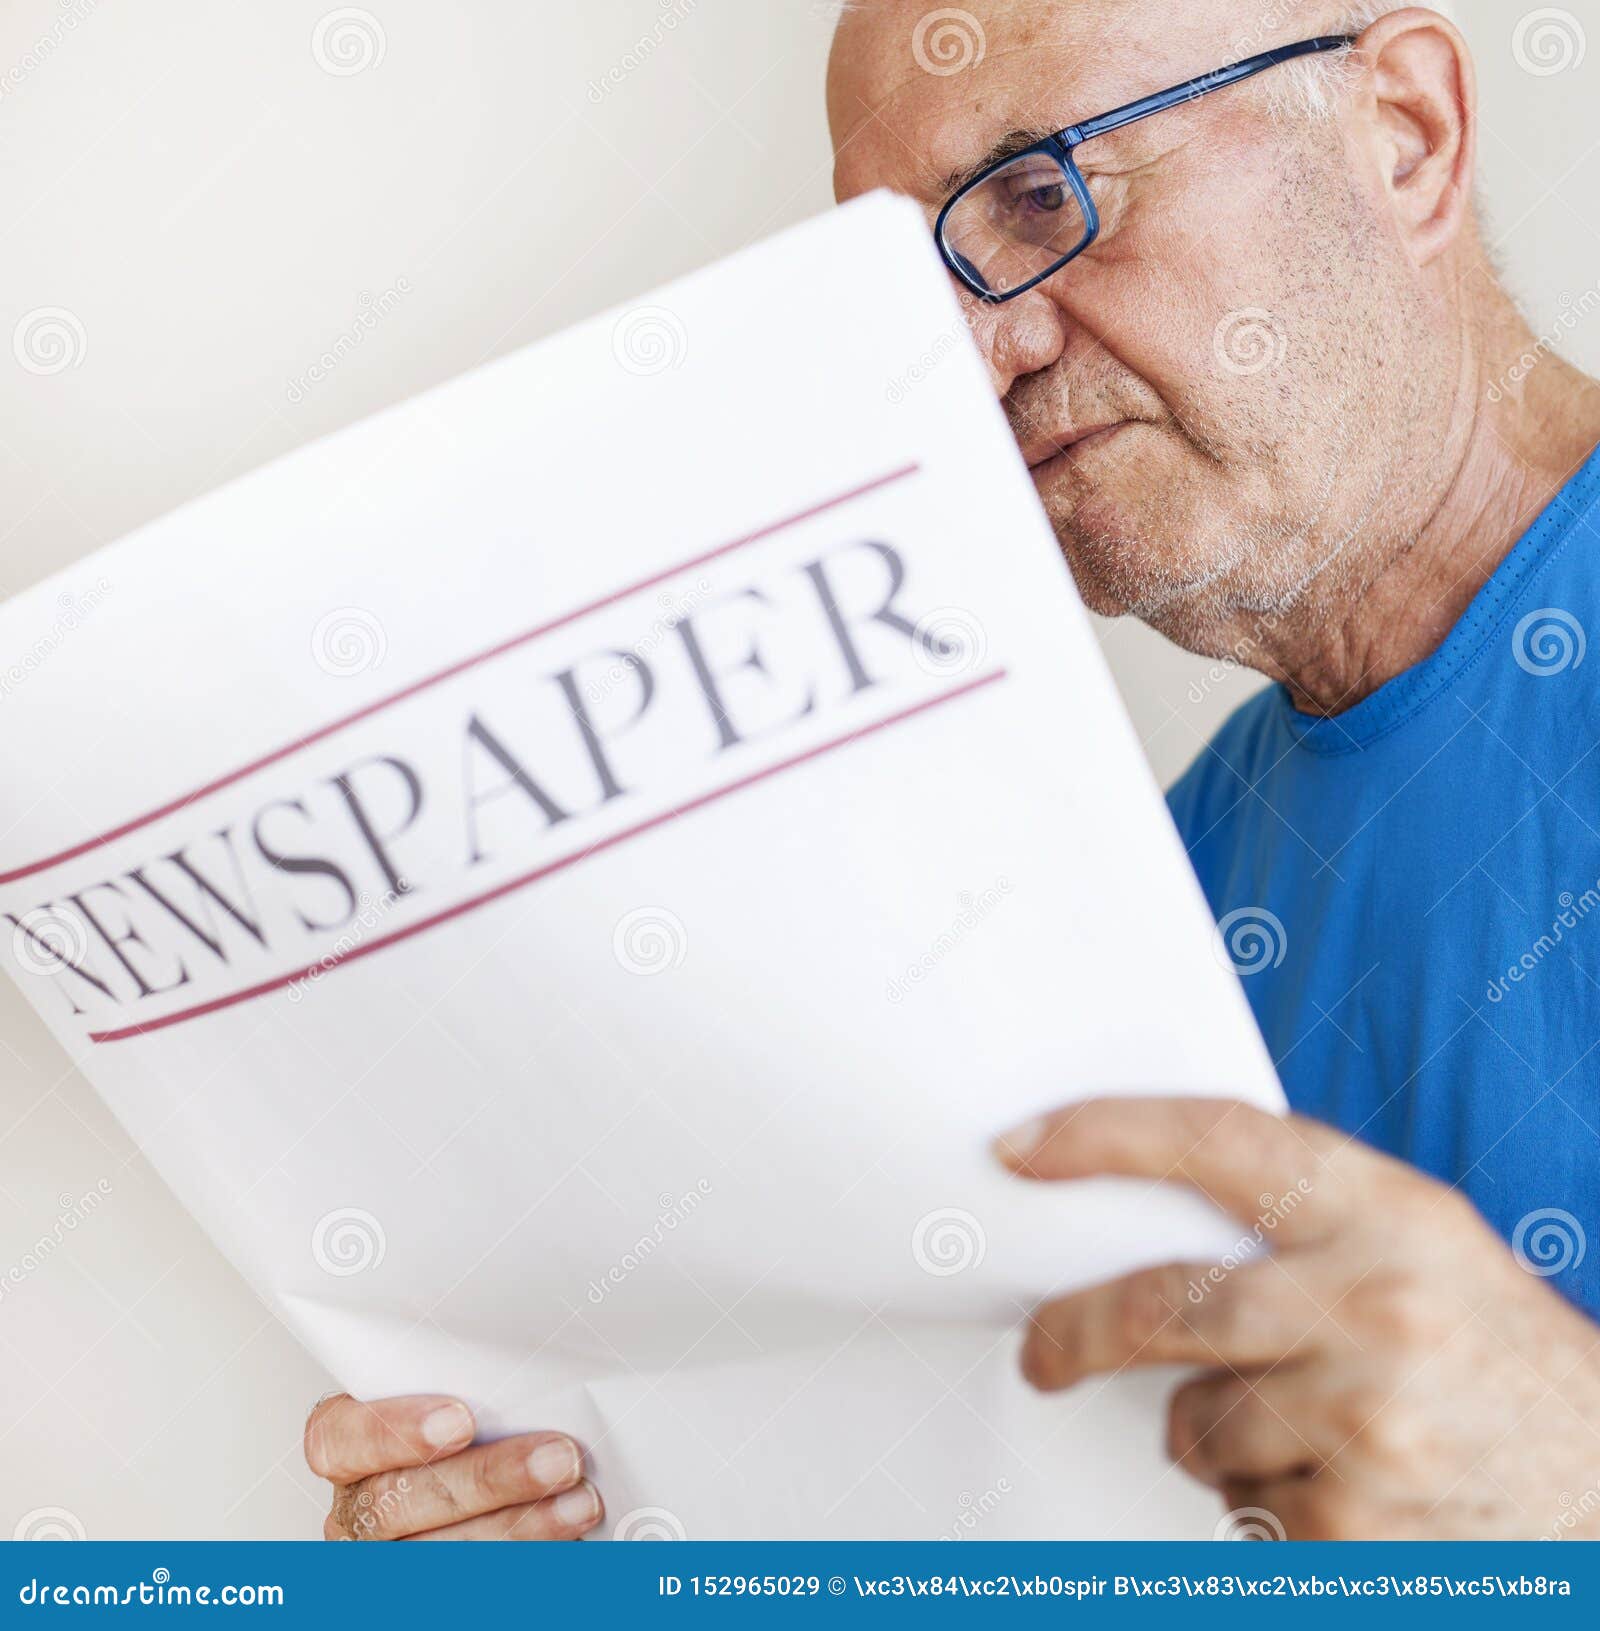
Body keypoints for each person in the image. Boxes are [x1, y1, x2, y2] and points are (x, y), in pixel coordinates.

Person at [306, 1, 1600, 1539]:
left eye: (1043, 194)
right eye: (908, 286)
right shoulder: (1136, 915)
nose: (981, 348)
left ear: (1405, 135)